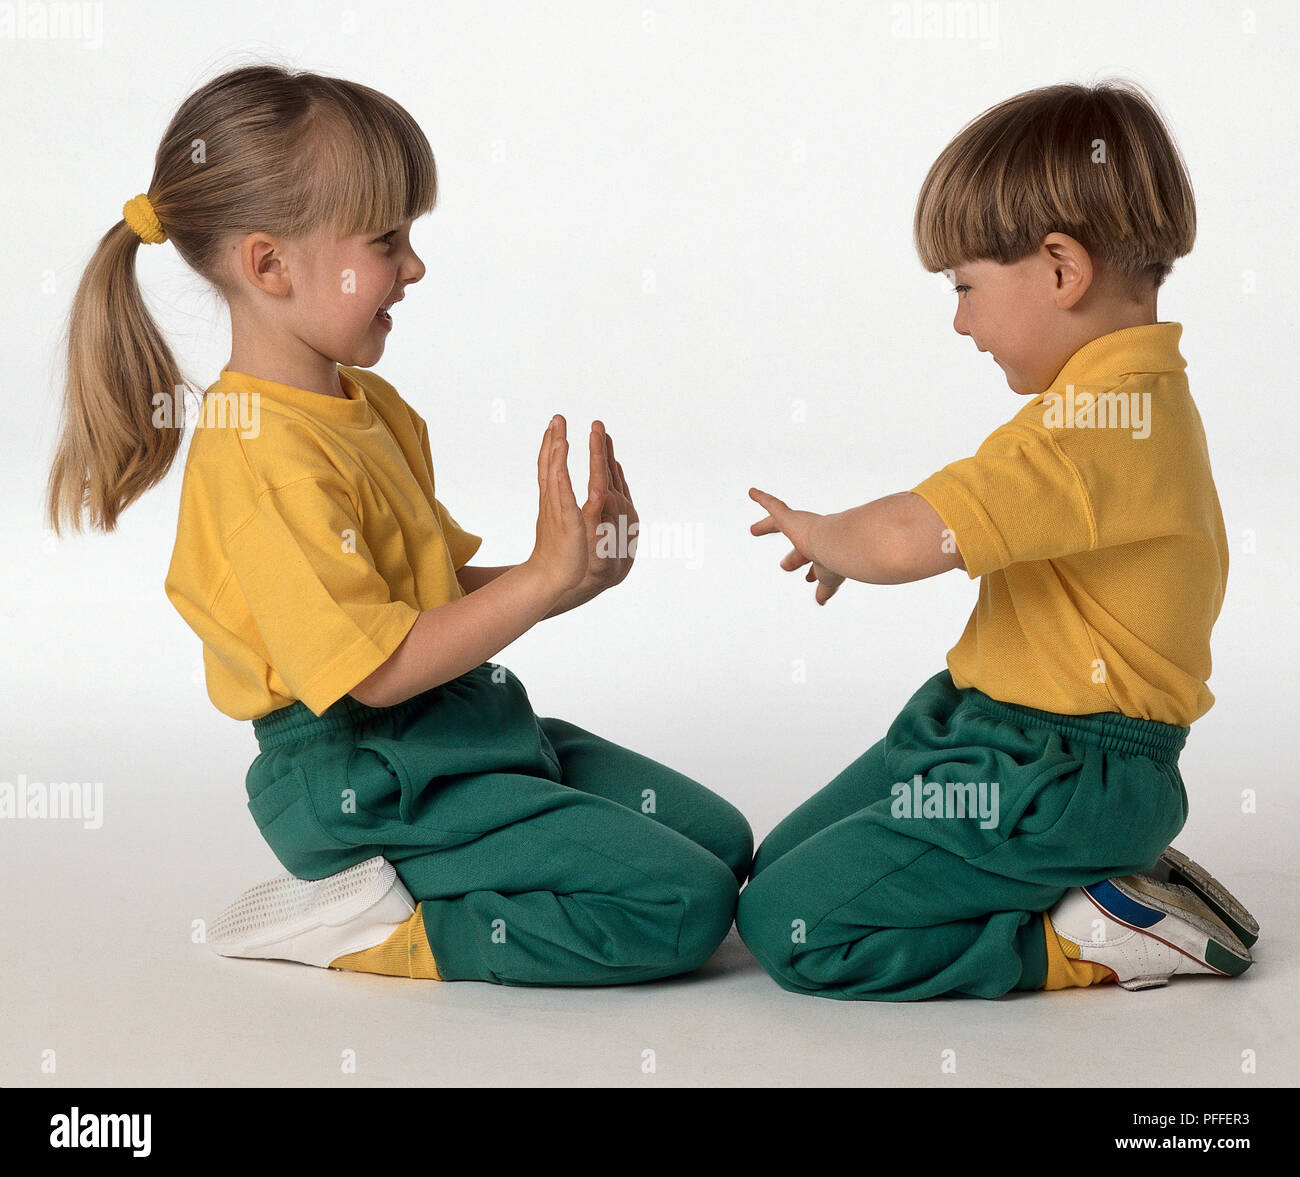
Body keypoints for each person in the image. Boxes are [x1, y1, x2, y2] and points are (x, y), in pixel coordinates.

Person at [45, 62, 751, 986]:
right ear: (270, 264)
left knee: (722, 840)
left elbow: (434, 602)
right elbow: (375, 670)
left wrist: (571, 570)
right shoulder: (260, 458)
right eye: (386, 240)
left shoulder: (366, 405)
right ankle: (386, 930)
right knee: (682, 903)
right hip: (362, 777)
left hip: (463, 721)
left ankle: (464, 872)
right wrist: (538, 582)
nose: (413, 265)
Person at [736, 79, 1259, 1000]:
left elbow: (914, 536)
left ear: (1062, 270)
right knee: (779, 863)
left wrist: (826, 532)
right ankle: (1077, 878)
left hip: (1067, 767)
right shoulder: (1117, 404)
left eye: (967, 286)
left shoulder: (1107, 425)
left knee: (791, 926)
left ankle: (1092, 936)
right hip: (986, 727)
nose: (960, 320)